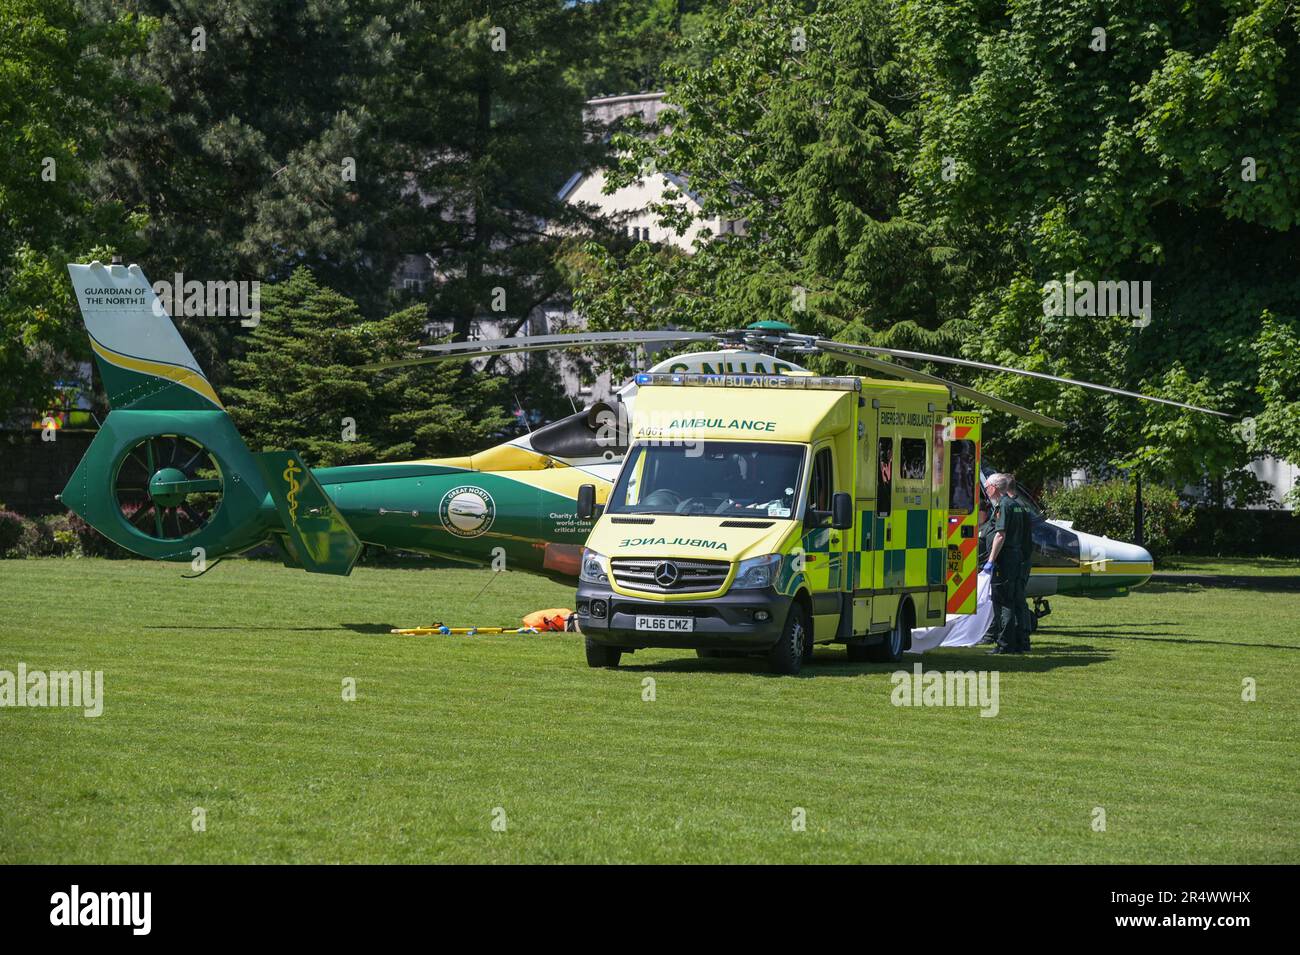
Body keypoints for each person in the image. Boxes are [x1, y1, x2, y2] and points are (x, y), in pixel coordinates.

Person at [982, 472, 1030, 654]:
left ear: (993, 488)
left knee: (1003, 601)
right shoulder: (1016, 505)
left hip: (1005, 559)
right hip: (1016, 558)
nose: (986, 490)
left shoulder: (1003, 505)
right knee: (1016, 600)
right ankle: (1020, 642)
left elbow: (1000, 534)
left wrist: (991, 559)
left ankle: (1004, 644)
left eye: (986, 487)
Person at [1005, 476, 1036, 650]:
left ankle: (1022, 638)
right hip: (1023, 558)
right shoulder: (1023, 506)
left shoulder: (1011, 506)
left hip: (1017, 559)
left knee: (1016, 600)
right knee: (1019, 599)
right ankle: (1023, 638)